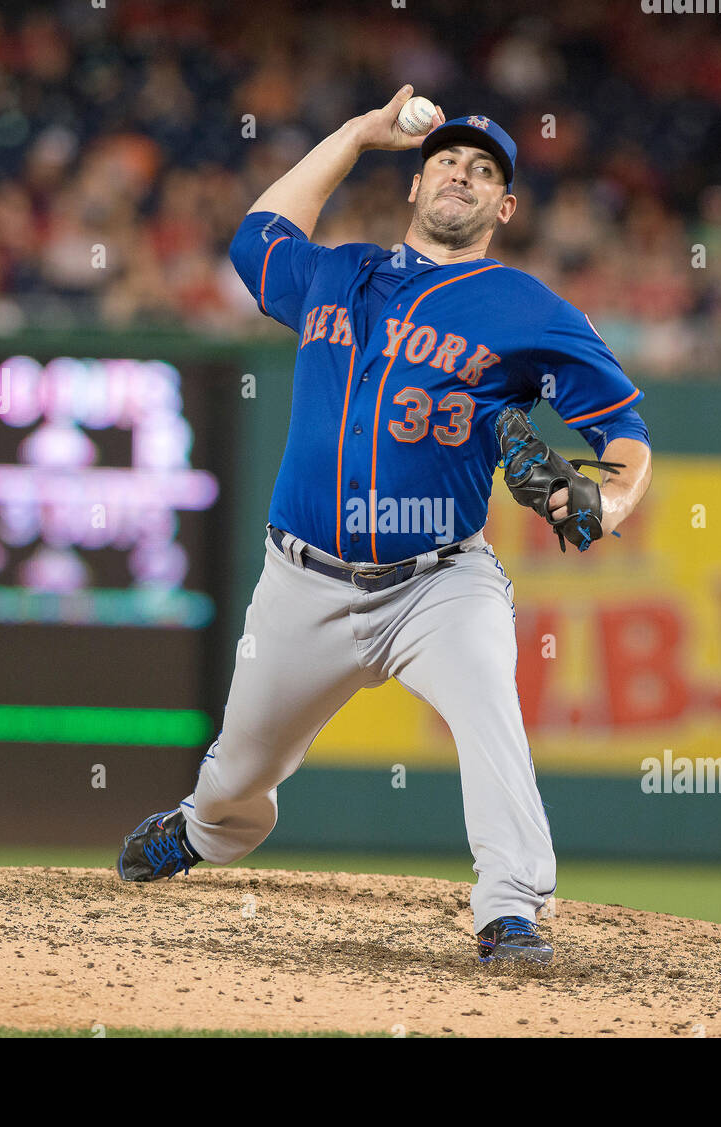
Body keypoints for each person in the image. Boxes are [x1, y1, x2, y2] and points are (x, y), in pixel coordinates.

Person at [118, 86, 653, 965]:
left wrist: (614, 500)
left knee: (490, 715)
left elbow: (625, 432)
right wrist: (355, 135)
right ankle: (208, 831)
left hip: (440, 583)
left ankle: (509, 908)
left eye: (484, 171)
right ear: (414, 183)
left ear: (503, 206)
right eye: (446, 159)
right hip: (302, 580)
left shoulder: (526, 308)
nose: (462, 174)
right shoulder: (338, 272)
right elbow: (255, 237)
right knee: (239, 771)